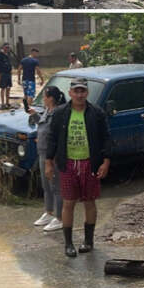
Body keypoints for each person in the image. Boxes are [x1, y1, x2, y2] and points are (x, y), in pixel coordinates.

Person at [43, 78, 111, 258]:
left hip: (90, 163)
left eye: (82, 91)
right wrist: (48, 162)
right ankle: (68, 244)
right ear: (70, 93)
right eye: (76, 91)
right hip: (68, 163)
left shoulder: (96, 113)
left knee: (89, 202)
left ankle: (88, 241)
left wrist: (106, 161)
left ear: (87, 93)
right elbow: (52, 138)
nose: (79, 95)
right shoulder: (60, 113)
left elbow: (106, 138)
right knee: (68, 203)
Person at [33, 86, 66, 232]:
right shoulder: (47, 111)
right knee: (46, 185)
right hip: (42, 152)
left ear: (51, 98)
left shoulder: (58, 114)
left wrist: (53, 158)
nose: (43, 99)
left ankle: (60, 218)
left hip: (53, 155)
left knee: (56, 187)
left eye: (45, 97)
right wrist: (34, 115)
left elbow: (56, 135)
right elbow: (43, 125)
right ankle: (49, 211)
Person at [0, 43, 14, 110]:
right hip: (2, 74)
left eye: (8, 47)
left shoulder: (8, 55)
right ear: (3, 47)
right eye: (6, 47)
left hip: (8, 74)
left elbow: (9, 64)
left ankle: (7, 103)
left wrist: (11, 73)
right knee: (3, 88)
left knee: (8, 88)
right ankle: (3, 104)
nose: (7, 49)